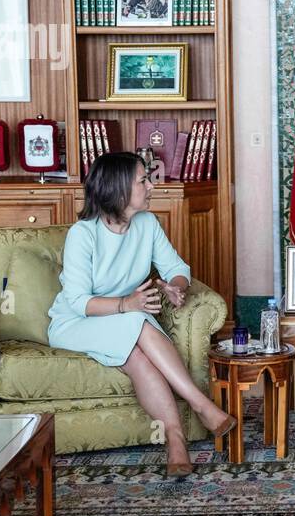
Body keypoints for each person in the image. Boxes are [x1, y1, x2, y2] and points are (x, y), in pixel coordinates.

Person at [48, 152, 235, 477]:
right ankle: (202, 406)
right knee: (137, 321)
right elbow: (79, 302)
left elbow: (177, 268)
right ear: (118, 189)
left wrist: (176, 287)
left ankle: (175, 441)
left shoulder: (147, 224)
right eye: (143, 180)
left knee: (139, 359)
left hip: (124, 319)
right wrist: (127, 305)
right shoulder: (84, 234)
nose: (151, 186)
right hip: (77, 323)